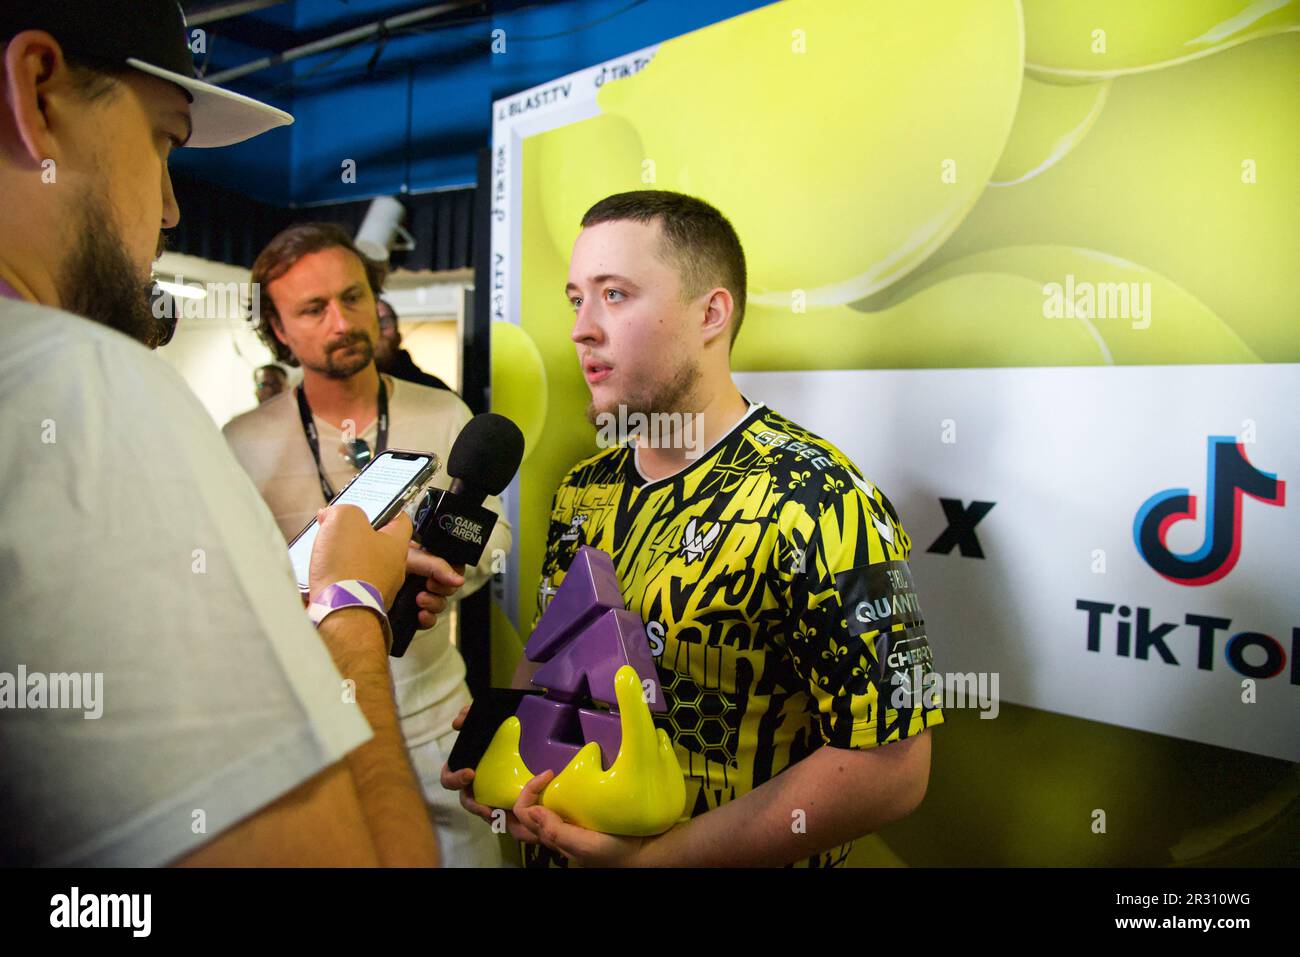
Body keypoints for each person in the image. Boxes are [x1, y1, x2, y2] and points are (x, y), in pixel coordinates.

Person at [0, 0, 450, 866]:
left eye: (353, 296)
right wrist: (350, 604)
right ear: (39, 93)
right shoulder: (91, 392)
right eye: (166, 142)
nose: (171, 208)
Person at [442, 190, 943, 867]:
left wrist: (656, 862)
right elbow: (555, 658)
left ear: (711, 313)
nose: (582, 328)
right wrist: (511, 741)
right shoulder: (582, 490)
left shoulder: (815, 497)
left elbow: (894, 767)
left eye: (614, 295)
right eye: (575, 300)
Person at [223, 222, 510, 867]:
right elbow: (229, 592)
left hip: (439, 713)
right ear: (278, 328)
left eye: (354, 298)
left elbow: (498, 537)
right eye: (313, 309)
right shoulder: (242, 443)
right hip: (315, 726)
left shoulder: (442, 413)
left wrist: (443, 575)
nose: (342, 321)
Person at [374, 297, 452, 392]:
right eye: (368, 322)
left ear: (399, 337)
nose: (376, 331)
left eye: (384, 323)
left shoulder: (432, 390)